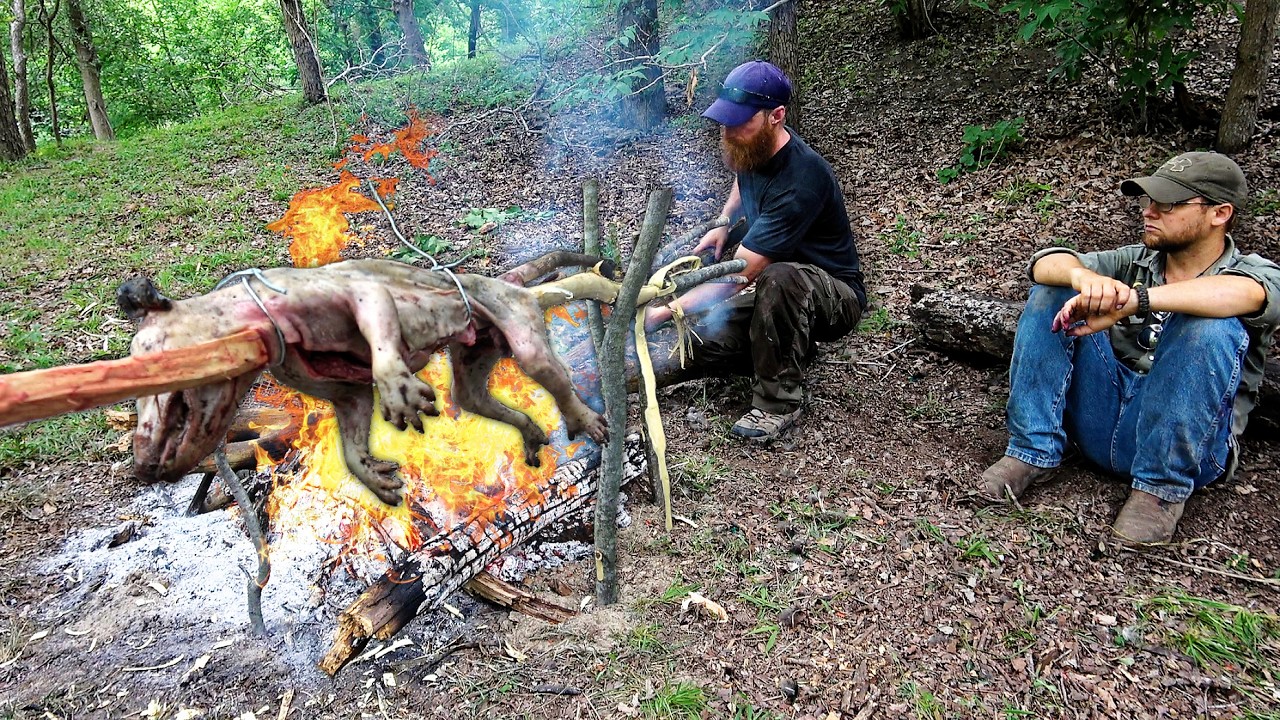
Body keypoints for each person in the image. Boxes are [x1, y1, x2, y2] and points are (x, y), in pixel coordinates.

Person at [978, 151, 1280, 544]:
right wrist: (1082, 277)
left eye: (1168, 203)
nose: (1149, 211)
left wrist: (1139, 300)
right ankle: (1030, 452)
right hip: (1102, 415)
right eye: (1147, 200)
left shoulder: (1254, 273)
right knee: (1051, 291)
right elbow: (1043, 263)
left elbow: (1243, 295)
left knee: (1210, 326)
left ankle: (1159, 494)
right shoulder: (1134, 260)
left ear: (1219, 213)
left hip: (1189, 445)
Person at [645, 60, 867, 442]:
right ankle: (789, 346)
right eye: (725, 121)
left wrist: (666, 310)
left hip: (833, 294)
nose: (728, 131)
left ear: (776, 116)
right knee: (710, 333)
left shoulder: (803, 179)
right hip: (782, 289)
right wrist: (724, 222)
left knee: (779, 278)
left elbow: (739, 274)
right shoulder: (755, 144)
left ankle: (777, 404)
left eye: (739, 122)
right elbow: (742, 173)